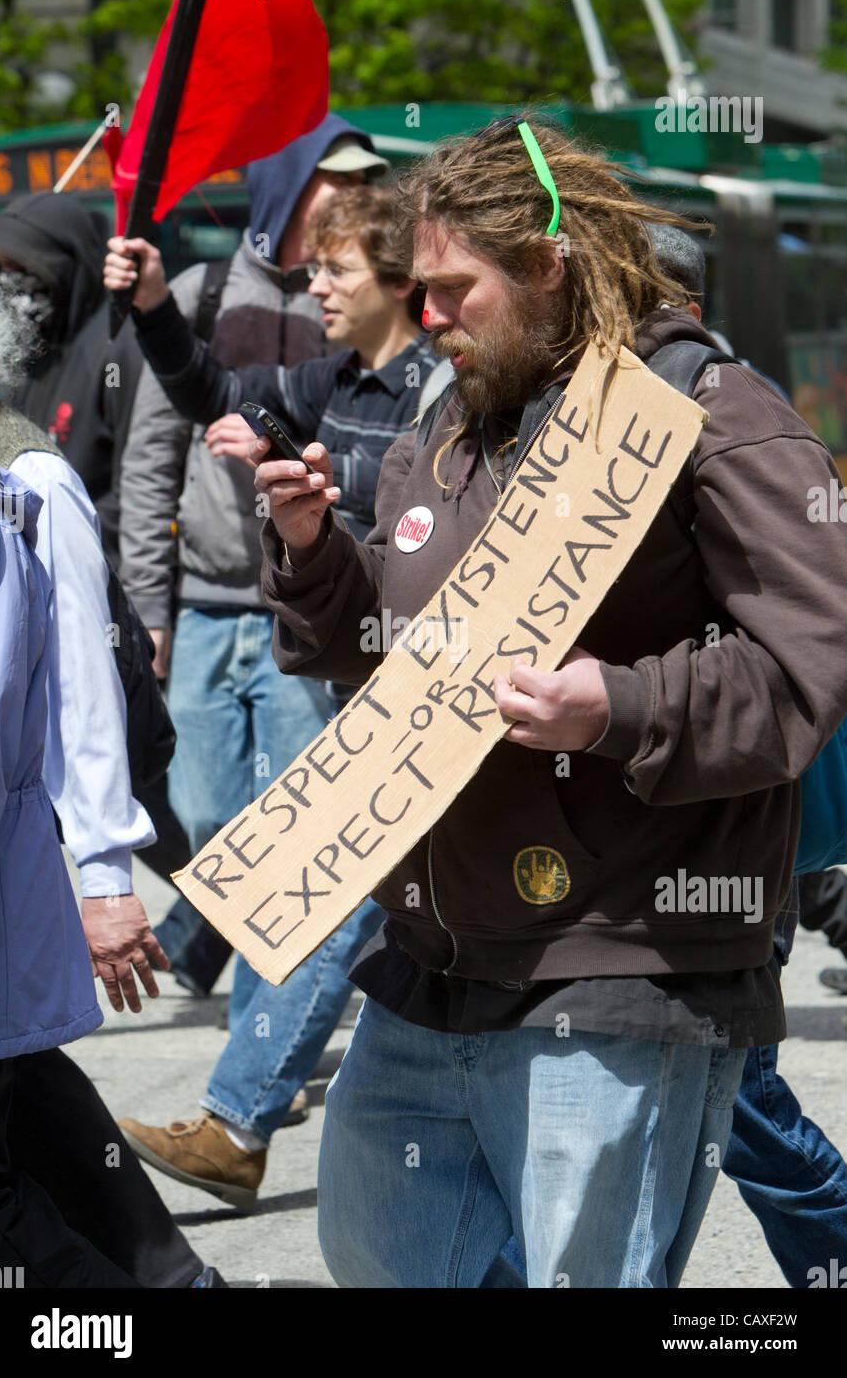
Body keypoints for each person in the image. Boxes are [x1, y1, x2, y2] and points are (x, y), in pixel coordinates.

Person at [253, 115, 847, 1288]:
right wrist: (315, 551)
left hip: (621, 963)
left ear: (546, 263)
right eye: (415, 290)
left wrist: (616, 706)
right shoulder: (449, 420)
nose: (425, 318)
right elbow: (400, 642)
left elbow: (803, 662)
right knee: (381, 1252)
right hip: (431, 959)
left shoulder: (707, 406)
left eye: (451, 290)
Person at [103, 184, 437, 1209]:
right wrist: (156, 305)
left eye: (335, 269)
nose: (315, 284)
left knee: (326, 897)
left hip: (425, 699)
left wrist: (315, 465)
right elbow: (214, 390)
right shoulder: (329, 373)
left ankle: (239, 1121)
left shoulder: (440, 386)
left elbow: (434, 501)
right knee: (334, 897)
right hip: (357, 694)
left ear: (396, 282)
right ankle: (253, 1120)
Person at [0, 275, 224, 1287]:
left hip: (14, 871)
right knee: (28, 1111)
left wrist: (105, 871)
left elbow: (78, 686)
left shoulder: (25, 483)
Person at [116, 114, 387, 997]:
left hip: (303, 612)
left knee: (295, 817)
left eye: (362, 188)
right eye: (333, 182)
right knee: (200, 811)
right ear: (288, 187)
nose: (352, 201)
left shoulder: (365, 310)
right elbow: (159, 450)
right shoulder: (200, 292)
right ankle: (218, 947)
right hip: (204, 605)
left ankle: (274, 1010)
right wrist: (149, 607)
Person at [0, 192, 143, 561]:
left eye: (21, 265)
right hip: (28, 561)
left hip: (94, 567)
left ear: (67, 266)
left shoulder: (118, 346)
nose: (8, 281)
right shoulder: (28, 347)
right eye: (0, 266)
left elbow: (137, 487)